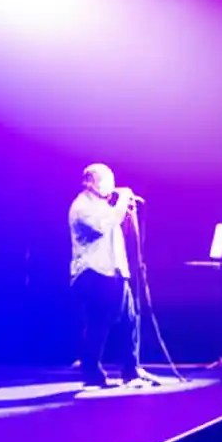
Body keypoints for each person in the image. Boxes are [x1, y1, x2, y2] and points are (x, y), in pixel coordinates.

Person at [69, 163, 161, 388]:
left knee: (130, 319)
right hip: (93, 274)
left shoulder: (104, 206)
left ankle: (131, 370)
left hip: (115, 274)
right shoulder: (81, 207)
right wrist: (123, 198)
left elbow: (115, 227)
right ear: (90, 182)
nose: (111, 185)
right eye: (105, 180)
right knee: (98, 323)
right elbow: (105, 224)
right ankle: (91, 372)